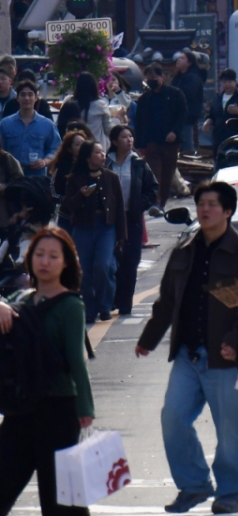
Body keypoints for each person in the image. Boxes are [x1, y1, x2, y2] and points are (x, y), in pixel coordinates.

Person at [136, 181, 238, 514]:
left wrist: (237, 343)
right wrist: (149, 339)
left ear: (228, 211)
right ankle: (194, 485)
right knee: (173, 419)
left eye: (212, 204)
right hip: (187, 353)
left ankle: (230, 494)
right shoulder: (185, 249)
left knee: (230, 431)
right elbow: (167, 299)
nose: (204, 209)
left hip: (225, 358)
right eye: (201, 203)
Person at [0, 227, 94, 516]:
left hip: (59, 409)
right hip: (21, 407)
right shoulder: (21, 299)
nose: (45, 261)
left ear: (66, 262)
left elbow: (77, 361)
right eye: (39, 254)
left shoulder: (71, 305)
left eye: (54, 256)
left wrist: (85, 409)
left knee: (62, 503)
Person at [60, 139, 127, 324]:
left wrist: (122, 235)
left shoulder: (111, 177)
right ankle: (89, 308)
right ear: (88, 156)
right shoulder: (75, 178)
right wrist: (82, 195)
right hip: (83, 227)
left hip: (106, 227)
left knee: (104, 266)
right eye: (98, 152)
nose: (102, 156)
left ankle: (105, 305)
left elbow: (119, 208)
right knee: (84, 271)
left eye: (103, 152)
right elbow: (68, 206)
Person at [107, 125, 159, 315]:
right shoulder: (107, 163)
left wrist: (140, 205)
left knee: (130, 261)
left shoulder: (139, 163)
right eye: (124, 137)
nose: (129, 140)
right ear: (114, 142)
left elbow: (152, 189)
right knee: (110, 262)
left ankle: (125, 303)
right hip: (109, 219)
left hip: (132, 218)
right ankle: (110, 299)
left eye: (131, 136)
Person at [134, 63, 187, 210]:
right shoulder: (144, 99)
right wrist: (139, 143)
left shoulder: (175, 94)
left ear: (162, 77)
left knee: (168, 173)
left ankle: (161, 203)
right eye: (149, 77)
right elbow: (139, 121)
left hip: (170, 142)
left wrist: (175, 132)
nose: (152, 80)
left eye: (154, 77)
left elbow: (182, 115)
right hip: (151, 141)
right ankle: (155, 202)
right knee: (154, 173)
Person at [1, 79, 61, 177]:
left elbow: (56, 148)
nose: (27, 98)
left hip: (37, 177)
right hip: (12, 176)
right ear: (17, 98)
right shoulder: (5, 124)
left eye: (30, 94)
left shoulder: (47, 124)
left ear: (36, 97)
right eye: (23, 95)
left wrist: (45, 161)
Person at [56, 72, 114, 152]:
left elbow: (59, 124)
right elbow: (109, 130)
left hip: (72, 149)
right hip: (95, 149)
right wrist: (118, 118)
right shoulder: (100, 105)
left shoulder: (68, 101)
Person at [205, 69, 238, 152]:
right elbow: (212, 115)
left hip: (236, 136)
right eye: (224, 82)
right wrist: (208, 121)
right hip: (219, 136)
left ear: (235, 82)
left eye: (229, 81)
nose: (227, 84)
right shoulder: (218, 97)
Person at [173, 51, 207, 155]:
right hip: (178, 117)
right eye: (178, 58)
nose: (178, 60)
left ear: (190, 62)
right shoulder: (179, 76)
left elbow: (186, 95)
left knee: (187, 146)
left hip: (187, 117)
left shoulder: (193, 77)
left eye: (182, 58)